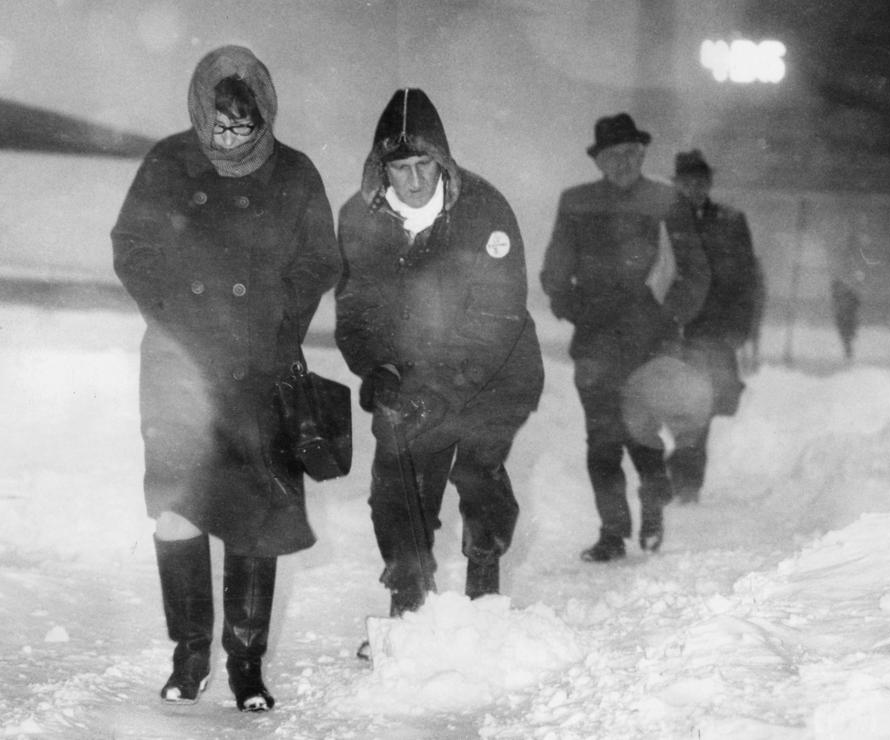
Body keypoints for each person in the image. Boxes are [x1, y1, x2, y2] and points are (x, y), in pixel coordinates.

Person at [111, 46, 340, 711]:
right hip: (178, 369)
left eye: (245, 126)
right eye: (219, 124)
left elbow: (318, 261)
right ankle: (189, 656)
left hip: (256, 370)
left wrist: (277, 325)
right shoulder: (167, 164)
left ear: (264, 117)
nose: (230, 137)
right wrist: (177, 317)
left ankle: (246, 667)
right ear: (200, 112)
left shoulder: (295, 175)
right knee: (178, 507)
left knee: (254, 515)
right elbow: (133, 246)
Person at [334, 88, 543, 617]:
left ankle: (483, 589)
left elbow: (496, 316)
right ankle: (409, 606)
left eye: (425, 163)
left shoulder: (483, 211)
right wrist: (377, 368)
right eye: (400, 166)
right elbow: (355, 306)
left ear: (442, 161)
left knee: (477, 471)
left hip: (494, 372)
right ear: (382, 168)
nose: (414, 179)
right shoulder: (360, 219)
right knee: (396, 487)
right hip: (411, 368)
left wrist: (439, 392)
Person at [540, 114, 709, 562]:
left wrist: (669, 315)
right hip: (595, 340)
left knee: (641, 431)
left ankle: (653, 504)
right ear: (599, 161)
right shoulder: (576, 202)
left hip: (650, 340)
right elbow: (556, 267)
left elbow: (696, 271)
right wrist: (571, 305)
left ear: (643, 155)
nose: (623, 163)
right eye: (613, 156)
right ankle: (612, 533)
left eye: (632, 154)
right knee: (601, 440)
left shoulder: (666, 200)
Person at [667, 150, 759, 503]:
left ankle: (687, 482)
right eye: (688, 181)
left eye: (702, 181)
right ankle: (677, 470)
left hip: (715, 330)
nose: (696, 188)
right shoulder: (663, 221)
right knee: (678, 404)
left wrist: (740, 327)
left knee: (706, 403)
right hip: (674, 328)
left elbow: (746, 279)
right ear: (677, 184)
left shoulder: (732, 221)